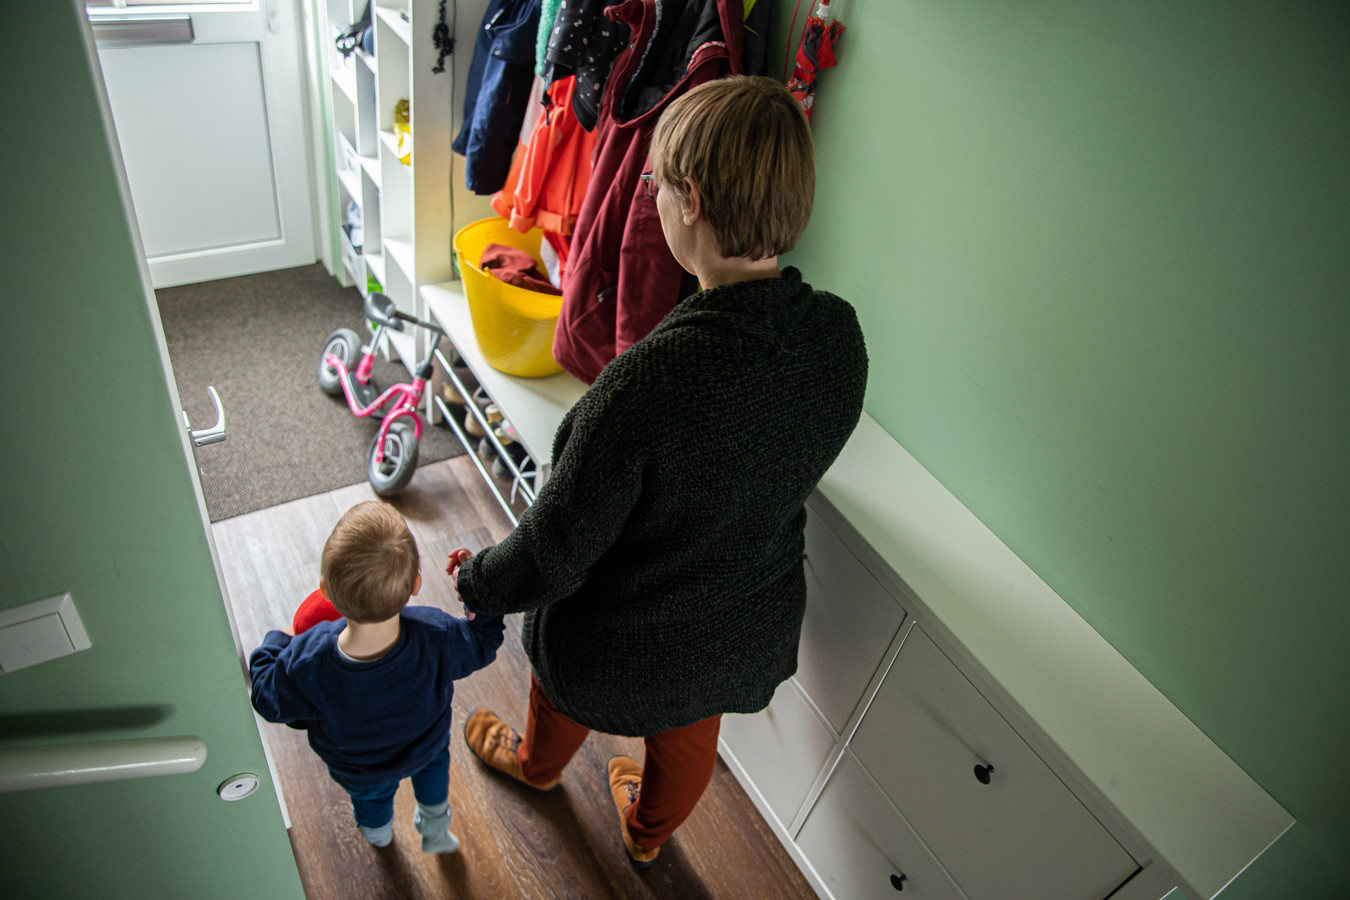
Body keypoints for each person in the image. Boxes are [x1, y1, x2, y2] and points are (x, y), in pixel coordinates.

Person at [449, 74, 868, 867]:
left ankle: (536, 768)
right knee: (687, 738)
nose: (647, 196)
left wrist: (480, 583)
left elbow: (553, 551)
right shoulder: (839, 341)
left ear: (692, 203)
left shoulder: (645, 387)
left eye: (653, 183)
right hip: (737, 633)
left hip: (616, 643)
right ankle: (648, 836)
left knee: (558, 681)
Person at [249, 501, 505, 853]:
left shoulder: (306, 660)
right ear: (416, 584)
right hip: (425, 745)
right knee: (434, 780)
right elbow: (483, 641)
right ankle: (435, 831)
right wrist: (475, 592)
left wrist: (275, 643)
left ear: (324, 589)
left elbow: (266, 697)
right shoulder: (436, 635)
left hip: (360, 768)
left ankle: (378, 834)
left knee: (372, 799)